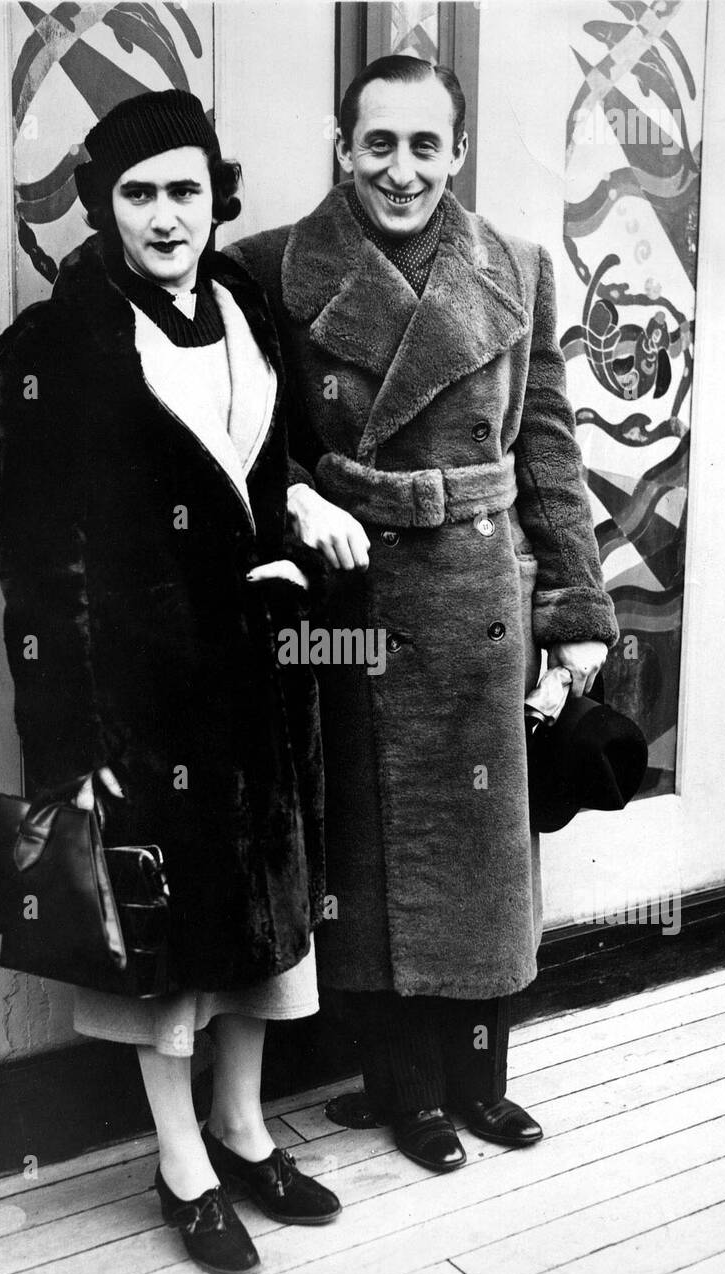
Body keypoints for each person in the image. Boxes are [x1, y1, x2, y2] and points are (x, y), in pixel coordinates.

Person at [226, 56, 619, 1173]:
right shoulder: (269, 269)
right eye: (379, 143)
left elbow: (546, 443)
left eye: (425, 145)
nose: (402, 170)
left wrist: (576, 607)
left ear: (457, 153)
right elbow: (259, 448)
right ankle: (406, 1095)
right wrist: (301, 502)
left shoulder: (522, 268)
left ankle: (481, 1081)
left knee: (488, 857)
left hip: (483, 590)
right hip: (359, 599)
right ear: (341, 145)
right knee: (379, 853)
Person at [0, 89, 340, 1274]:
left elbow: (271, 448)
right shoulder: (59, 348)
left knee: (260, 920)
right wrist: (67, 735)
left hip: (263, 672)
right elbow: (38, 569)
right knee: (164, 942)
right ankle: (182, 1158)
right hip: (142, 696)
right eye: (137, 193)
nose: (163, 215)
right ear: (102, 206)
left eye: (184, 189)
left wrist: (297, 499)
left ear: (214, 196)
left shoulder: (246, 301)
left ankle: (245, 1128)